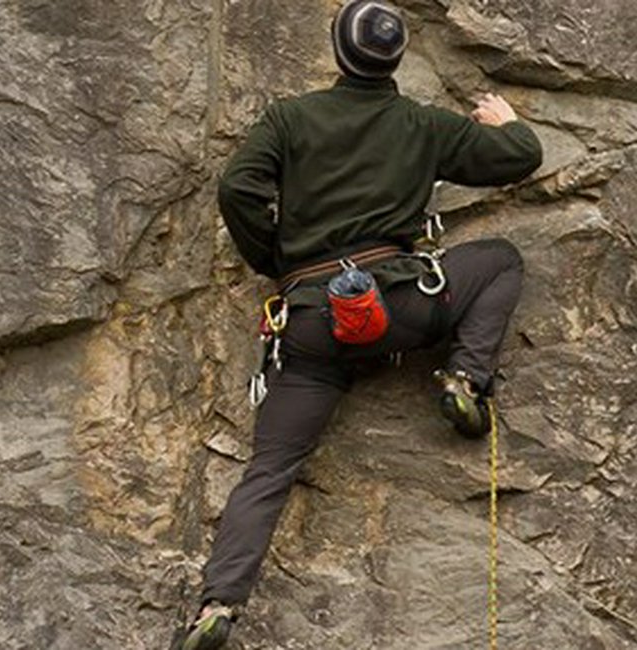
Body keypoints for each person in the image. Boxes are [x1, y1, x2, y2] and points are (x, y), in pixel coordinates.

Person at [181, 1, 543, 648]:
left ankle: (219, 606)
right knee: (499, 262)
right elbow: (519, 156)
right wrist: (510, 122)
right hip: (401, 308)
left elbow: (238, 186)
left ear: (339, 53)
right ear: (394, 59)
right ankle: (465, 377)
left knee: (269, 470)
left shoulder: (290, 119)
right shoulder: (421, 125)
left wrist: (277, 262)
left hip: (314, 321)